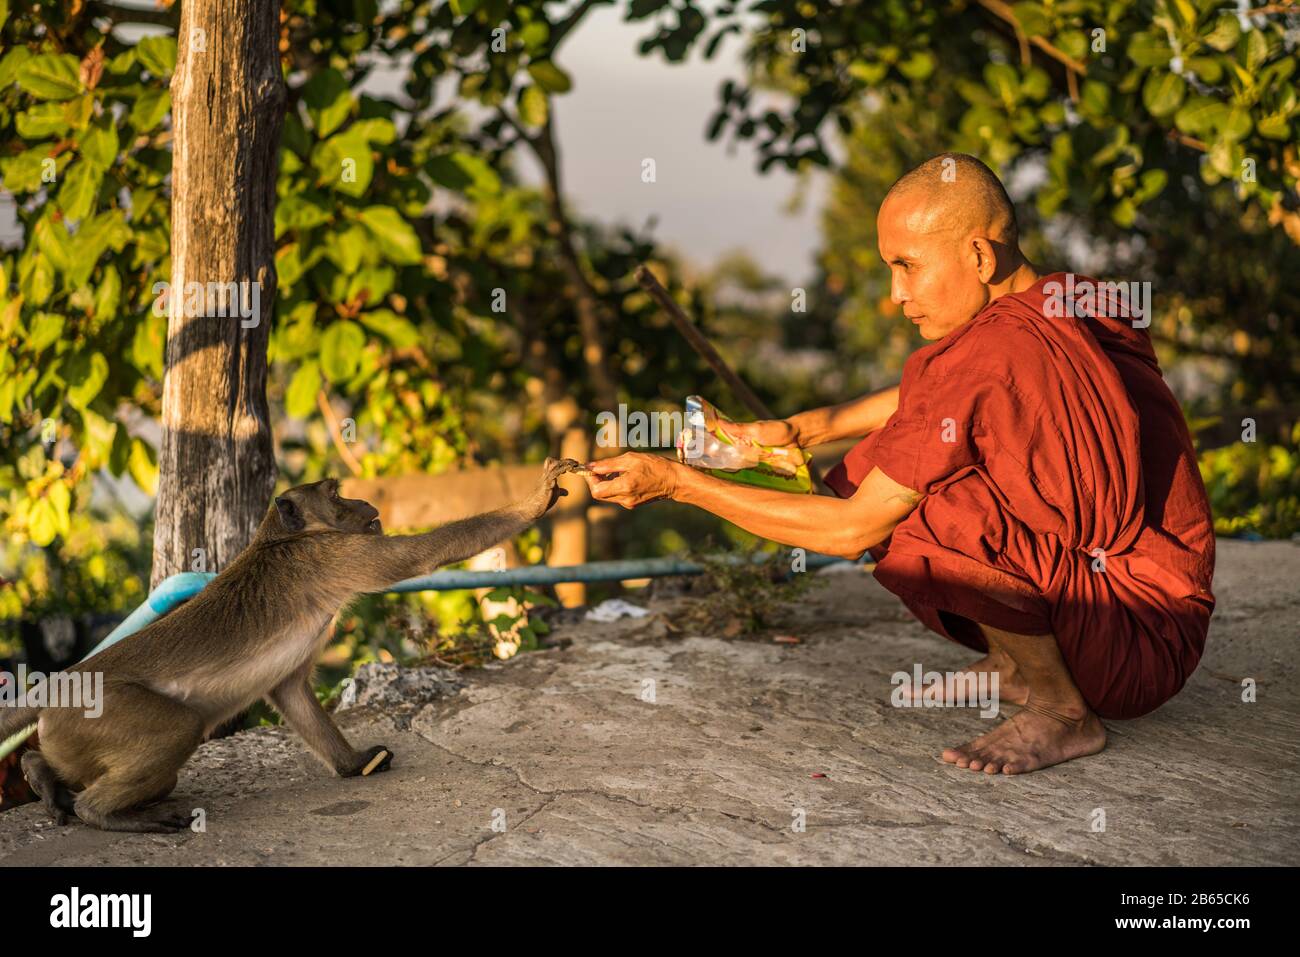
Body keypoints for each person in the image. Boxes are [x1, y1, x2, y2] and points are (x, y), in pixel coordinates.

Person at [578, 153, 1216, 775]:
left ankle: (1064, 709)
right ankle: (1018, 665)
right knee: (897, 460)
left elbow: (851, 528)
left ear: (979, 256)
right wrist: (804, 429)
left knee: (927, 511)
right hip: (1161, 607)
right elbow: (944, 401)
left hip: (1130, 638)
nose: (896, 293)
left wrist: (677, 483)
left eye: (907, 266)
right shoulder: (1071, 297)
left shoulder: (993, 352)